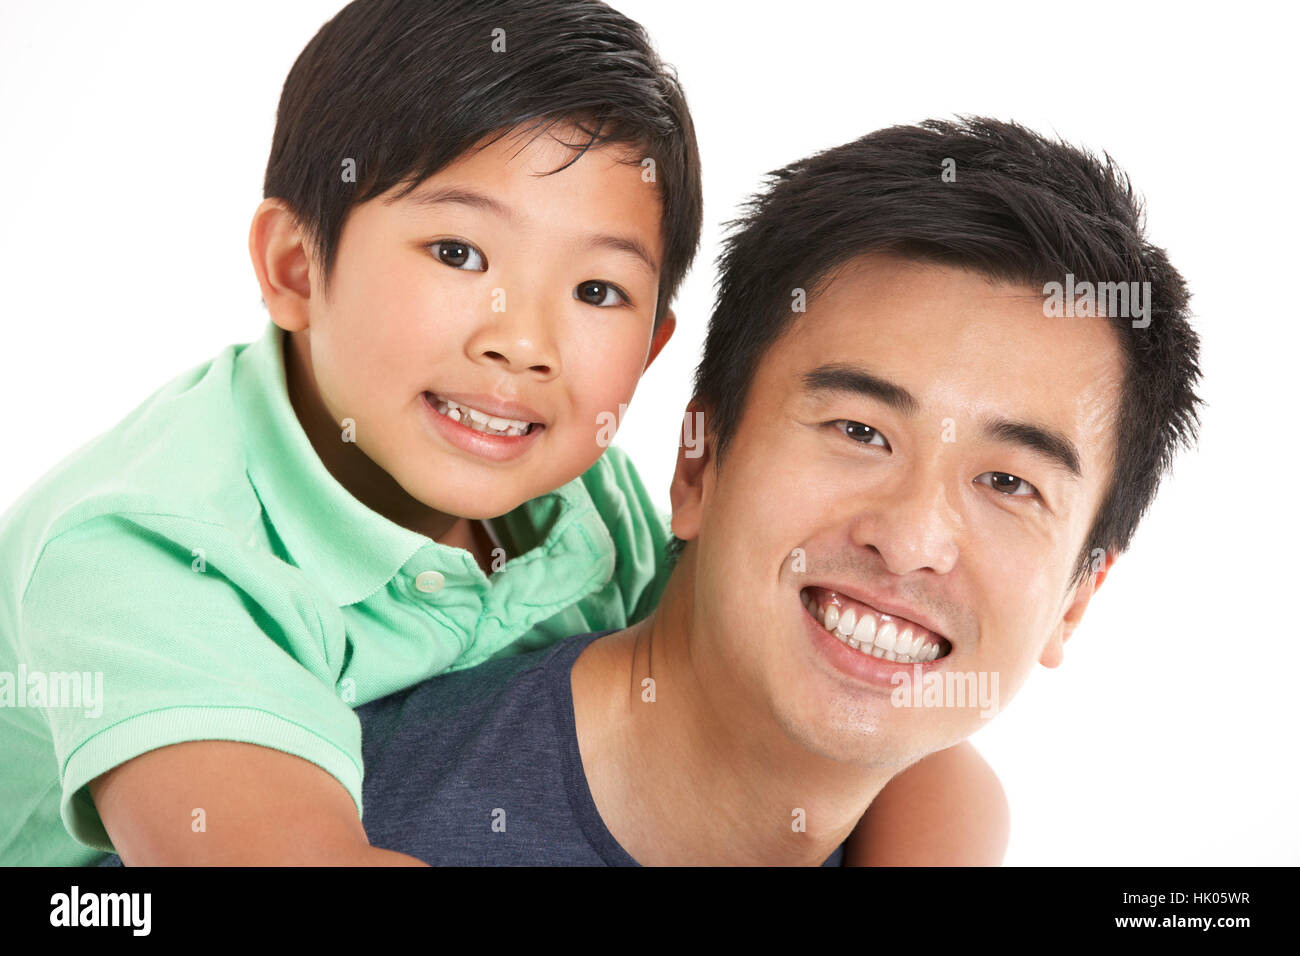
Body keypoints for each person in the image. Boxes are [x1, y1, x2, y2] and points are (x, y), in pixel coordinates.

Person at [0, 1, 1001, 866]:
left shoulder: (585, 502)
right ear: (297, 267)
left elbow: (907, 749)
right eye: (457, 250)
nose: (522, 341)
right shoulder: (150, 549)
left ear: (652, 349)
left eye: (597, 290)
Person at [334, 117, 1202, 865]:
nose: (909, 541)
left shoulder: (932, 821)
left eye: (1008, 482)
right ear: (698, 463)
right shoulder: (343, 818)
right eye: (859, 431)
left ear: (1077, 599)